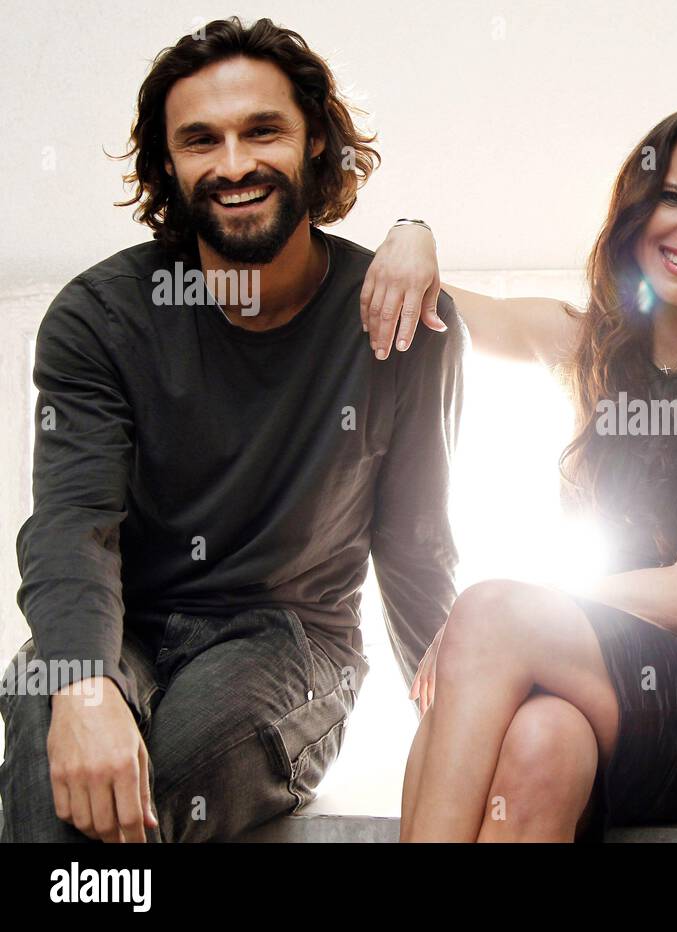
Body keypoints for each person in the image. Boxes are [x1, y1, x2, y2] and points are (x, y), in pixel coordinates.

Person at [0, 17, 465, 843]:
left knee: (163, 773)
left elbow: (414, 540)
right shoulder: (97, 320)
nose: (234, 164)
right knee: (49, 699)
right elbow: (74, 526)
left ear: (315, 142)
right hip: (124, 623)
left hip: (290, 643)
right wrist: (84, 687)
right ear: (168, 165)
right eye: (200, 140)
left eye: (263, 131)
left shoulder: (393, 320)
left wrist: (464, 710)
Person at [362, 103, 677, 841]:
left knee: (490, 607)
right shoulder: (583, 346)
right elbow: (434, 304)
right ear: (638, 210)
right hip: (604, 700)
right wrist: (412, 233)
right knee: (546, 739)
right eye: (674, 197)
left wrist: (512, 616)